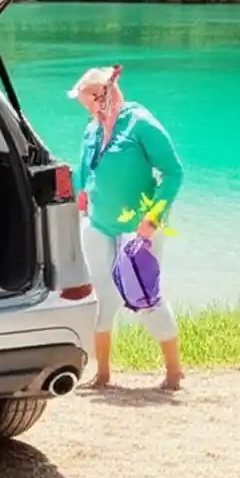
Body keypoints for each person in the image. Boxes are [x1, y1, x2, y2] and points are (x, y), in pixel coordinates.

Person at [69, 65, 186, 391]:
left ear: (102, 96)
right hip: (98, 223)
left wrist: (153, 219)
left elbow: (173, 173)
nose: (90, 112)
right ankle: (103, 375)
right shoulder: (92, 128)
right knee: (102, 297)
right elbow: (84, 173)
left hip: (139, 226)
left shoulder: (140, 123)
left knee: (144, 295)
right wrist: (76, 198)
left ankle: (174, 372)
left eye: (90, 104)